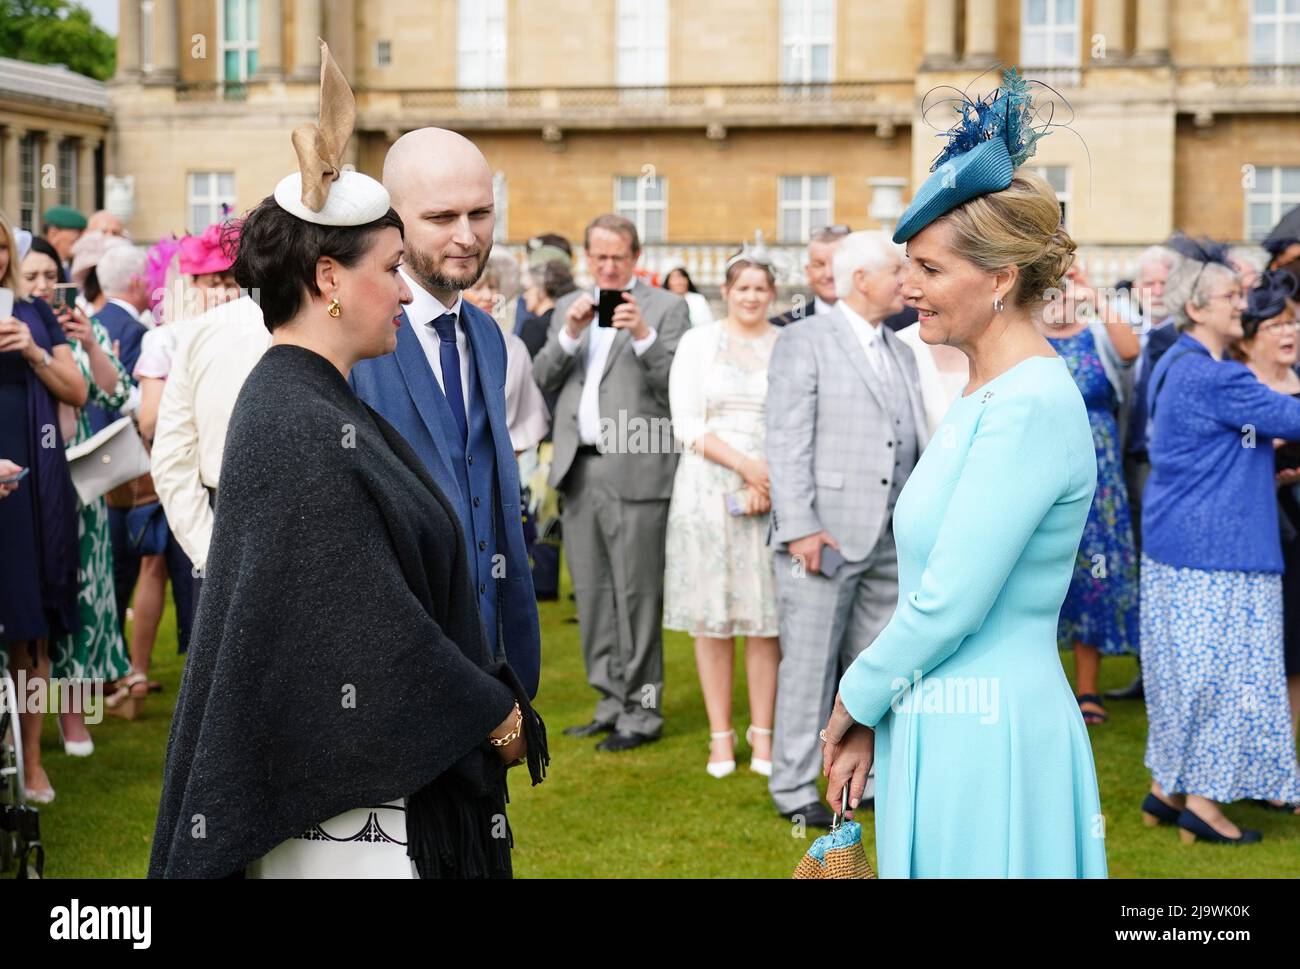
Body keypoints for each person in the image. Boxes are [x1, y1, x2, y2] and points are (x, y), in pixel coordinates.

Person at [150, 42, 546, 879]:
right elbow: (367, 623)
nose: (407, 290)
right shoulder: (294, 413)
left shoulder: (308, 394)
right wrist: (493, 712)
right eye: (393, 267)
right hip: (347, 827)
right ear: (329, 276)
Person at [820, 70, 1107, 877]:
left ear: (1001, 278)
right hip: (940, 715)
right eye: (908, 265)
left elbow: (951, 601)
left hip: (993, 735)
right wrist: (884, 708)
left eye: (931, 269)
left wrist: (854, 697)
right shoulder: (989, 390)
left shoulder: (1029, 406)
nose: (909, 287)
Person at [350, 127, 542, 698]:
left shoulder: (487, 336)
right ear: (394, 220)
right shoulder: (352, 340)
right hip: (391, 667)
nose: (466, 236)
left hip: (487, 658)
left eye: (480, 213)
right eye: (441, 217)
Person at [766, 229, 926, 827]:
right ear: (861, 279)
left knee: (875, 663)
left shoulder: (901, 348)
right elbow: (785, 439)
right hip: (823, 539)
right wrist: (801, 528)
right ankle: (791, 787)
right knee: (808, 665)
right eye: (897, 271)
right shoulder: (803, 341)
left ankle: (866, 776)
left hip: (889, 537)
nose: (907, 282)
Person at [1139, 251, 1300, 841]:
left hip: (1179, 547)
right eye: (1232, 297)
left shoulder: (1174, 363)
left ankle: (1166, 791)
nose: (1244, 305)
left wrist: (1260, 462)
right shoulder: (1219, 375)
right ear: (1196, 307)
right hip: (1220, 551)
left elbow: (1210, 444)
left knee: (1182, 679)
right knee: (1228, 682)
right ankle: (1202, 808)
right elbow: (1289, 417)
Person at [533, 213, 691, 750]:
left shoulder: (668, 308)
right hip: (580, 469)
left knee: (637, 596)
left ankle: (643, 713)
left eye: (617, 258)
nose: (606, 267)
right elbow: (540, 380)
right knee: (596, 596)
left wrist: (643, 336)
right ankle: (609, 701)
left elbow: (680, 389)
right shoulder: (565, 309)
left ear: (635, 258)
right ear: (585, 258)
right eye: (597, 257)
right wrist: (570, 335)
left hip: (639, 469)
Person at [665, 254, 781, 778]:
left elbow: (798, 415)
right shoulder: (698, 343)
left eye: (761, 288)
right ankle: (720, 736)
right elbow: (686, 421)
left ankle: (764, 735)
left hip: (772, 489)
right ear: (726, 292)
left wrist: (768, 478)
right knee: (713, 619)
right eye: (743, 287)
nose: (752, 296)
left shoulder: (788, 345)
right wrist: (745, 468)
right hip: (708, 488)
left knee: (764, 619)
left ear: (773, 294)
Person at [21, 228, 133, 756]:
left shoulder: (81, 331)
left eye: (51, 275)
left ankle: (75, 719)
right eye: (33, 276)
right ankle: (30, 731)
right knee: (39, 606)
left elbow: (118, 394)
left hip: (83, 486)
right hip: (32, 483)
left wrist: (88, 342)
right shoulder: (16, 329)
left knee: (86, 604)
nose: (44, 284)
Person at [0, 208, 87, 803]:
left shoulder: (29, 312)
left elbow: (78, 390)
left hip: (28, 482)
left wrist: (33, 350)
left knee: (30, 631)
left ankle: (32, 759)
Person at [1036, 263, 1139, 727]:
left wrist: (1096, 296)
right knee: (1041, 572)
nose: (1059, 299)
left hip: (1099, 471)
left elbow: (1131, 350)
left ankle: (1088, 688)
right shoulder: (1029, 336)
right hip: (1041, 464)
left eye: (1066, 289)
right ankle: (1040, 683)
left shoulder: (1096, 332)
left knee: (1092, 575)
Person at [1233, 270, 1300, 758]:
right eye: (1276, 325)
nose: (1289, 333)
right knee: (1257, 653)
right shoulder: (1236, 388)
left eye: (1294, 323)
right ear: (1250, 335)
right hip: (1255, 533)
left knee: (1297, 653)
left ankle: (1285, 764)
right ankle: (1251, 759)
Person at [769, 224, 850, 326]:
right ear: (808, 272)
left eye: (837, 264)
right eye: (819, 265)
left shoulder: (874, 324)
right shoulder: (784, 326)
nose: (829, 274)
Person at [42, 206, 87, 277]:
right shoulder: (39, 267)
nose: (82, 240)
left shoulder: (72, 268)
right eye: (76, 233)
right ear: (53, 233)